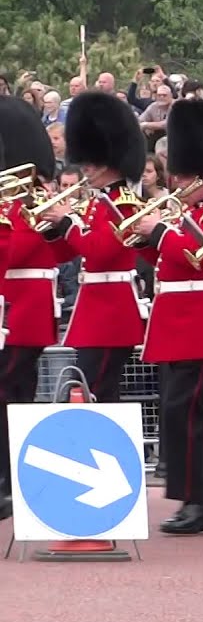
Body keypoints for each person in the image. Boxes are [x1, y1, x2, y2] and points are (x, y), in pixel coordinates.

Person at [131, 99, 203, 534]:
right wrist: (146, 236)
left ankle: (199, 502)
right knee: (200, 414)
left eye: (182, 174)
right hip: (183, 323)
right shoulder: (190, 213)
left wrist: (160, 231)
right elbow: (168, 259)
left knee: (189, 412)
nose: (175, 180)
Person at [38, 92, 148, 403]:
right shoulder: (99, 203)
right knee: (94, 394)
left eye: (92, 161)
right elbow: (72, 253)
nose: (86, 167)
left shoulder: (123, 204)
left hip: (111, 314)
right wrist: (53, 229)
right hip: (95, 311)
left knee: (91, 392)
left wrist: (68, 222)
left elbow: (100, 251)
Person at [0, 97, 75, 520]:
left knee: (13, 397)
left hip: (22, 314)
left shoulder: (25, 206)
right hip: (15, 311)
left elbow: (43, 250)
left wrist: (63, 219)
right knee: (13, 397)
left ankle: (13, 481)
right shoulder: (17, 205)